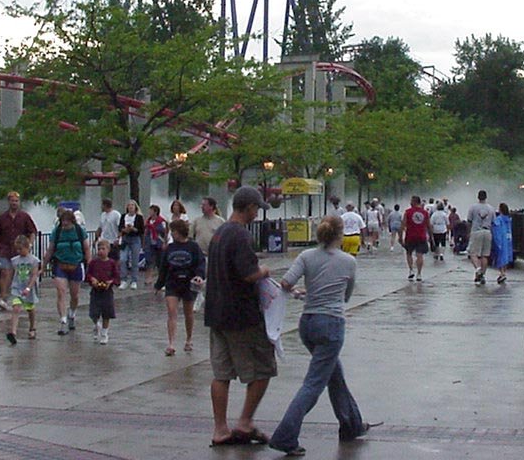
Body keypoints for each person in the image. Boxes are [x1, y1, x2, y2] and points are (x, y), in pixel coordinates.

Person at [269, 215, 379, 456]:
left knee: (334, 374)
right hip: (331, 324)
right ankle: (285, 435)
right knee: (313, 383)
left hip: (307, 324)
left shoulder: (306, 256)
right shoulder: (349, 262)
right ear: (340, 235)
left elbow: (286, 282)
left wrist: (302, 292)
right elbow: (345, 296)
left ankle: (351, 423)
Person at [205, 186, 275, 448]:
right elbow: (248, 273)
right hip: (241, 315)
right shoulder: (241, 236)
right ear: (248, 208)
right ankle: (245, 422)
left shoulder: (219, 233)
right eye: (257, 209)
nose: (257, 214)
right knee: (263, 367)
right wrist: (264, 271)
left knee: (221, 373)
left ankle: (220, 429)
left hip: (216, 313)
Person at [155, 218, 206, 355]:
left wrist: (199, 276)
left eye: (173, 232)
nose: (172, 235)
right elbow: (163, 267)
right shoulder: (170, 248)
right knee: (172, 312)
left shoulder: (193, 247)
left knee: (188, 313)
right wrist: (159, 284)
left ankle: (189, 339)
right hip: (172, 283)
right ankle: (171, 344)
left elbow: (200, 263)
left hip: (188, 284)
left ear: (180, 232)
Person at [42, 207, 91, 336]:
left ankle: (72, 314)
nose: (65, 224)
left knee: (74, 295)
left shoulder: (80, 231)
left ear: (72, 222)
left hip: (76, 264)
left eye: (67, 221)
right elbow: (50, 250)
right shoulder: (57, 232)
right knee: (61, 292)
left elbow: (86, 248)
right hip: (60, 264)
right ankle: (63, 320)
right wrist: (43, 265)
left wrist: (90, 264)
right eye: (63, 221)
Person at [0, 191, 38, 312]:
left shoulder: (24, 216)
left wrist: (30, 244)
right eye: (12, 201)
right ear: (9, 202)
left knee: (20, 275)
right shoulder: (2, 217)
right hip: (5, 249)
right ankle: (3, 298)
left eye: (16, 201)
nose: (14, 203)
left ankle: (21, 295)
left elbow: (32, 231)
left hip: (20, 251)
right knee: (5, 272)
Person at [6, 234, 40, 345]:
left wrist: (29, 288)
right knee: (16, 308)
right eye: (17, 249)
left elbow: (34, 275)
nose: (19, 251)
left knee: (30, 309)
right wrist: (8, 286)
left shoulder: (34, 261)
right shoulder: (15, 261)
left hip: (28, 288)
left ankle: (32, 327)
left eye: (21, 249)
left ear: (27, 247)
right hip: (17, 287)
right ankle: (13, 332)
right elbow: (11, 274)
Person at [86, 238, 120, 344]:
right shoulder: (93, 262)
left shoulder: (112, 263)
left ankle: (105, 333)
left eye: (103, 249)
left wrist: (111, 282)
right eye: (99, 249)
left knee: (106, 314)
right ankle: (97, 325)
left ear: (108, 250)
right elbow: (87, 275)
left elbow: (117, 278)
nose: (100, 251)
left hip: (107, 292)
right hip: (95, 292)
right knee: (93, 313)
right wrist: (92, 279)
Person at [468, 190, 494, 285]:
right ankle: (482, 275)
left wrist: (469, 232)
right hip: (487, 232)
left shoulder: (473, 207)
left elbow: (469, 220)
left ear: (478, 197)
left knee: (473, 253)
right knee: (485, 255)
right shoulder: (491, 208)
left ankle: (478, 269)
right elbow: (493, 221)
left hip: (476, 231)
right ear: (486, 197)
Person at [402, 195, 430, 282]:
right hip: (421, 236)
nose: (410, 203)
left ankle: (411, 270)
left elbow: (403, 225)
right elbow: (428, 225)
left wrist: (400, 237)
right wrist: (431, 237)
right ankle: (419, 274)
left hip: (410, 236)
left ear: (414, 202)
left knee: (409, 253)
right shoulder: (425, 213)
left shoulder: (408, 212)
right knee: (420, 255)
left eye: (411, 201)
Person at [118, 200, 145, 290]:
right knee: (123, 259)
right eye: (129, 205)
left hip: (135, 239)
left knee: (134, 260)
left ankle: (134, 280)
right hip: (125, 239)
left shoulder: (139, 217)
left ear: (135, 207)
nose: (130, 207)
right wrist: (124, 230)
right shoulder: (123, 216)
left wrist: (133, 229)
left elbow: (141, 230)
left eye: (132, 205)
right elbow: (120, 227)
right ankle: (123, 279)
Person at [143, 205, 168, 287]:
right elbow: (146, 232)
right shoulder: (148, 221)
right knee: (149, 261)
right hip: (150, 243)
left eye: (151, 211)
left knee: (160, 262)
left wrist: (165, 242)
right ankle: (149, 277)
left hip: (159, 243)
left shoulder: (161, 221)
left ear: (155, 212)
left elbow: (165, 232)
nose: (149, 212)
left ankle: (161, 279)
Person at [490, 202, 514, 283]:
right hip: (508, 239)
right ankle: (503, 273)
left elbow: (496, 229)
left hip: (501, 239)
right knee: (506, 256)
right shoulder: (508, 219)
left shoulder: (499, 219)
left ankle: (502, 273)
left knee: (500, 257)